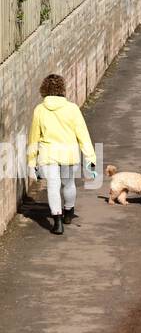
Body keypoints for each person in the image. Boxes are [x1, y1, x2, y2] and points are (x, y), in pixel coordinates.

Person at [25, 74, 96, 236]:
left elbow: (33, 138)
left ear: (43, 89)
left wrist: (31, 162)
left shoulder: (39, 110)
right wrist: (91, 159)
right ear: (62, 89)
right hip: (69, 154)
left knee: (53, 186)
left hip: (48, 154)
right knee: (69, 184)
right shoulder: (72, 109)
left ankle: (57, 221)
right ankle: (68, 212)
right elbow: (83, 135)